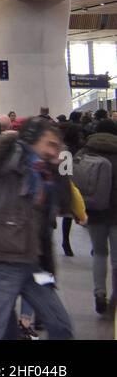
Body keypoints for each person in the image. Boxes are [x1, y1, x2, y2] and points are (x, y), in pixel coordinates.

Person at [0, 117, 75, 340]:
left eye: (58, 146)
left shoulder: (46, 172)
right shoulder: (9, 161)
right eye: (50, 144)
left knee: (60, 325)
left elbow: (66, 204)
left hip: (35, 265)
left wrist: (58, 169)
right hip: (2, 262)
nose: (54, 151)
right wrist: (10, 140)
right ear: (32, 141)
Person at [80, 119, 117, 316]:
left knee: (100, 254)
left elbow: (72, 174)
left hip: (94, 211)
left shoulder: (86, 150)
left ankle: (99, 293)